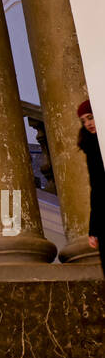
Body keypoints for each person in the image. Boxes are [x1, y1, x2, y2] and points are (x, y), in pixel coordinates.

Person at [78, 99, 105, 275]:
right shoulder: (91, 147)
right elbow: (97, 188)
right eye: (84, 121)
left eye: (90, 117)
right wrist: (93, 229)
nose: (88, 124)